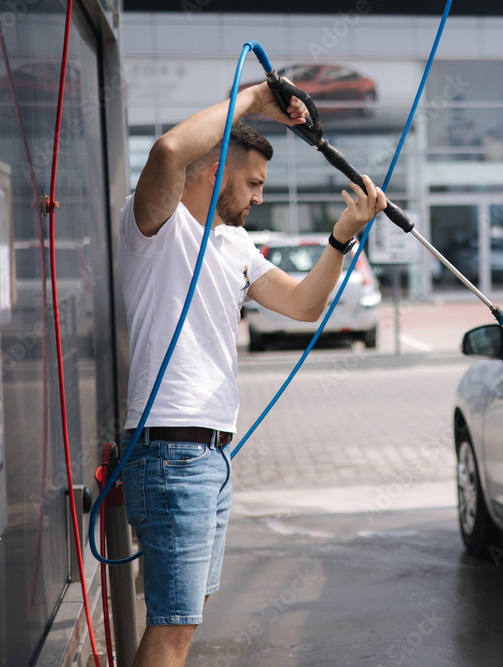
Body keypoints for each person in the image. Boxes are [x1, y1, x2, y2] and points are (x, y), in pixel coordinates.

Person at [118, 81, 386, 667]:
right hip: (170, 449)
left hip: (211, 455)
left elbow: (303, 305)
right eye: (255, 183)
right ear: (215, 171)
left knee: (185, 616)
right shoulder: (157, 226)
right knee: (174, 628)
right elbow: (167, 152)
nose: (260, 198)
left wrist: (342, 237)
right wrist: (256, 96)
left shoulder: (234, 243)